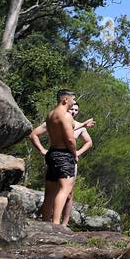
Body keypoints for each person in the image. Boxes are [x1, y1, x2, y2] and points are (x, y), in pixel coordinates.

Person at [30, 90, 79, 225]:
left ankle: (46, 222)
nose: (73, 102)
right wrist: (74, 154)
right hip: (64, 155)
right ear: (65, 100)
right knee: (65, 189)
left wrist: (42, 150)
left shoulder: (50, 115)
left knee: (50, 191)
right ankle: (56, 225)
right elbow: (70, 140)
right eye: (72, 100)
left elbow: (33, 135)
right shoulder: (66, 116)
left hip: (52, 153)